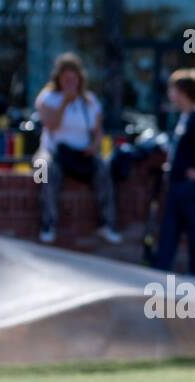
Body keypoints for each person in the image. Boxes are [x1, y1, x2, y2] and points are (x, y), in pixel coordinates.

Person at [33, 52, 120, 245]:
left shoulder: (89, 101)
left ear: (80, 78)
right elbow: (50, 125)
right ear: (59, 78)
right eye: (66, 79)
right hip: (54, 152)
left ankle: (107, 224)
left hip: (81, 154)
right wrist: (65, 102)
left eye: (74, 78)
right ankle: (48, 223)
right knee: (45, 171)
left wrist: (94, 146)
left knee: (104, 169)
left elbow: (98, 132)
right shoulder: (48, 97)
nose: (71, 82)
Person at [153, 69, 195, 277]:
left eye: (173, 89)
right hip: (177, 184)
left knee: (194, 231)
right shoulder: (184, 118)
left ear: (182, 91)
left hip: (189, 187)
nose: (170, 94)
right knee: (169, 231)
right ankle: (160, 274)